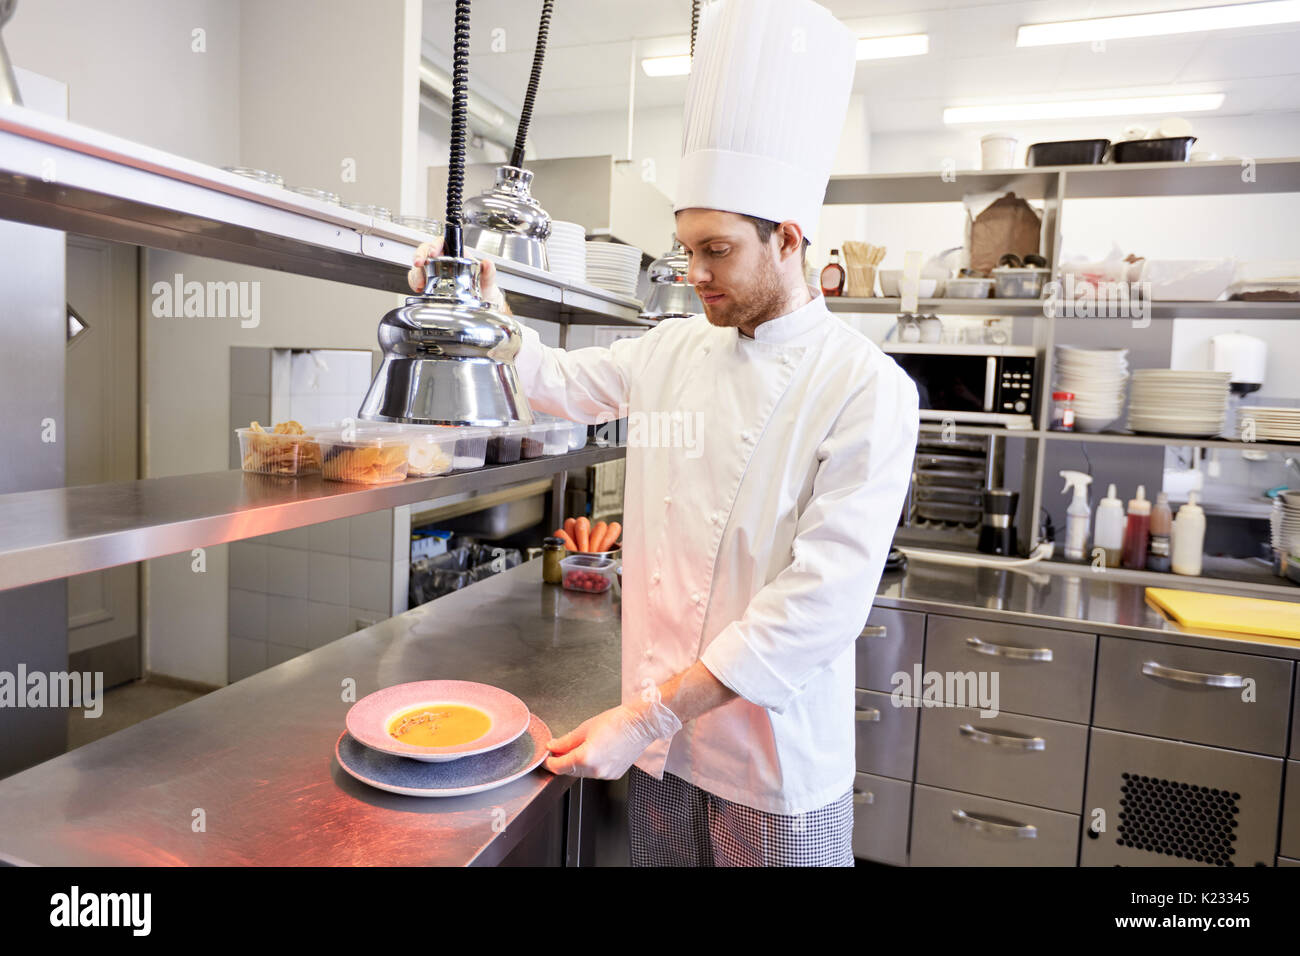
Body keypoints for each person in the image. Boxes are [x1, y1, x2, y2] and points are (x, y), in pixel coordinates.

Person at [407, 0, 919, 866]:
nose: (694, 275)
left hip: (772, 770)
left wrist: (643, 715)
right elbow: (558, 383)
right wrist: (485, 314)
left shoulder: (866, 389)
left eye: (716, 251)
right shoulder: (678, 347)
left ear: (787, 238)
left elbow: (817, 610)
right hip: (660, 751)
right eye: (687, 250)